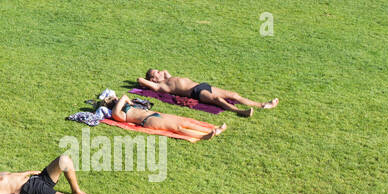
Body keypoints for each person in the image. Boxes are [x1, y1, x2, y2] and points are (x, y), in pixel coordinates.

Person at [138, 69, 278, 117]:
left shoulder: (167, 78)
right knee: (217, 99)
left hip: (201, 85)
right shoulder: (161, 86)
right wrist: (152, 80)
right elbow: (140, 80)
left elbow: (167, 72)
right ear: (152, 79)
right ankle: (240, 111)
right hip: (194, 92)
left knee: (234, 94)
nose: (159, 72)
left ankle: (262, 104)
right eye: (156, 73)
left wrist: (161, 73)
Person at [109, 94, 225, 140]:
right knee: (177, 128)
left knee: (184, 122)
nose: (116, 99)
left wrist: (128, 102)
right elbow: (124, 97)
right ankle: (204, 136)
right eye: (114, 100)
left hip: (154, 114)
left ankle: (213, 130)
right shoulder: (117, 114)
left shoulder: (125, 107)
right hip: (148, 120)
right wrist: (127, 102)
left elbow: (123, 98)